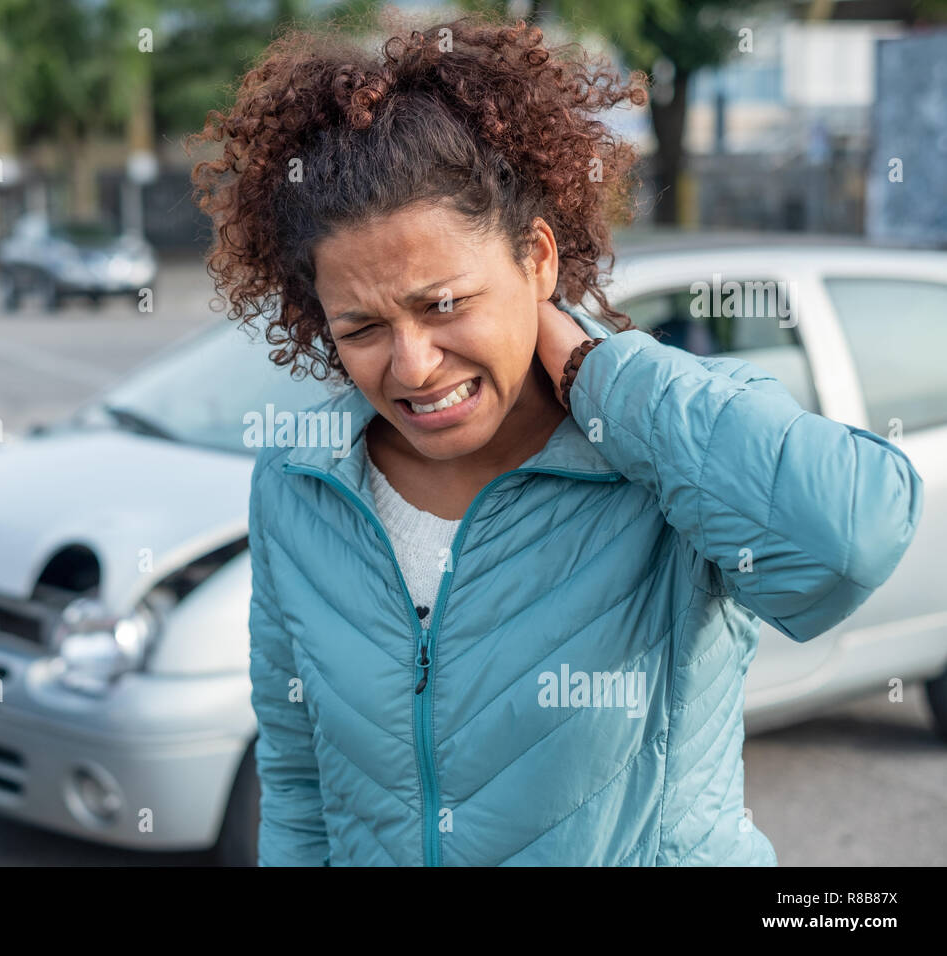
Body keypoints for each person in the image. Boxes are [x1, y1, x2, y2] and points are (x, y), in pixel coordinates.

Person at [189, 14, 922, 866]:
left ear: (537, 258)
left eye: (444, 304)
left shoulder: (665, 456)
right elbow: (300, 782)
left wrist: (599, 372)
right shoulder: (299, 482)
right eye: (361, 327)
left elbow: (849, 543)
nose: (415, 367)